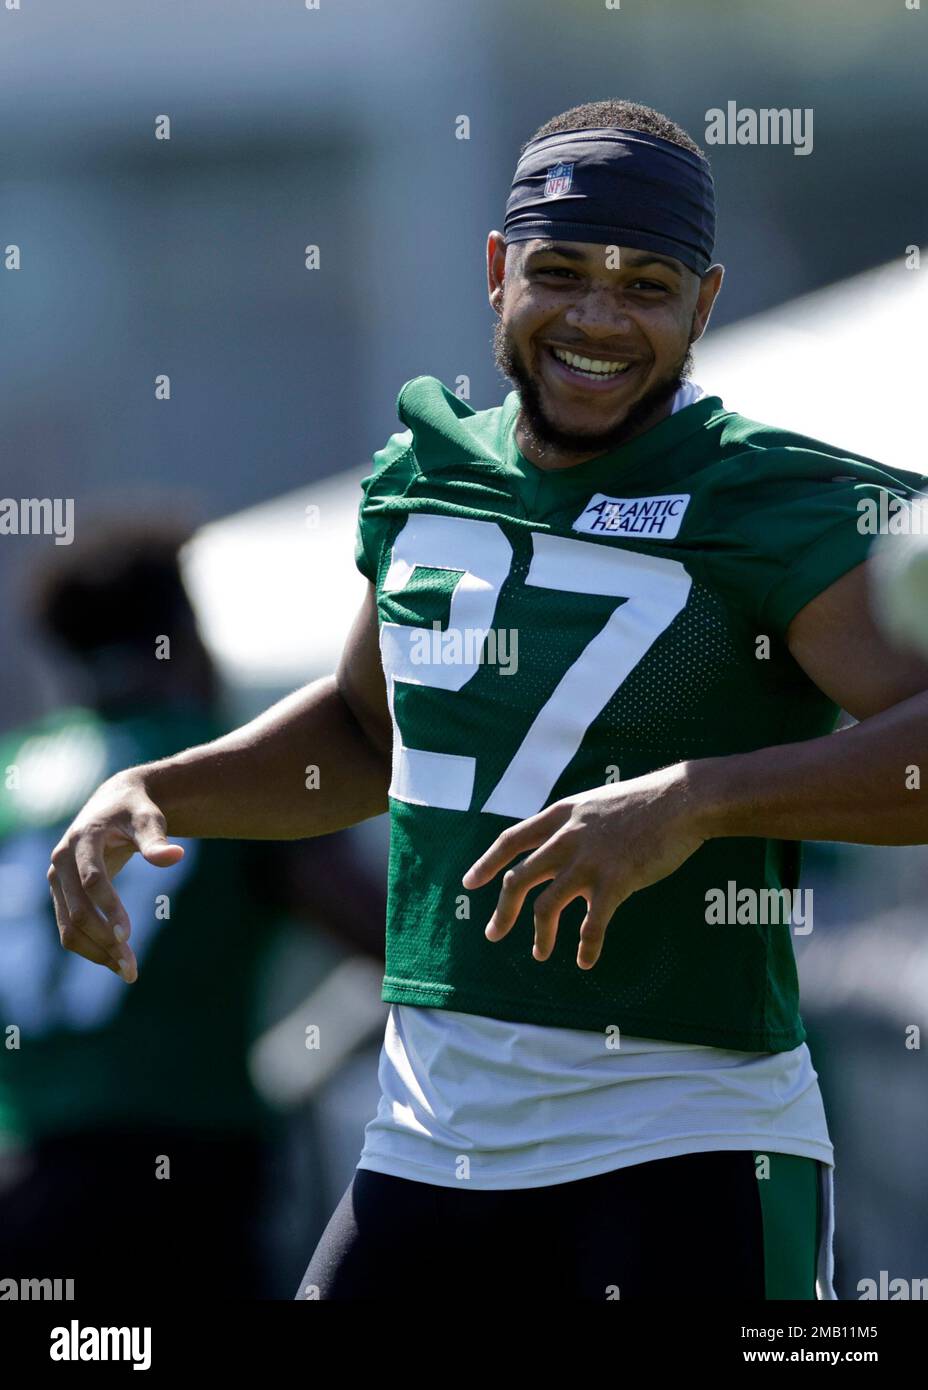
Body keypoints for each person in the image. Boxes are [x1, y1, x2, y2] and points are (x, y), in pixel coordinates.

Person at [45, 101, 928, 1301]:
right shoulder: (427, 474)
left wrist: (699, 800)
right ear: (500, 268)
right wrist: (155, 787)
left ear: (704, 305)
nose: (599, 318)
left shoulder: (781, 503)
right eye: (560, 273)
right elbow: (365, 732)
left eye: (648, 285)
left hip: (684, 1139)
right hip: (426, 1140)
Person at [0, 520, 382, 1299]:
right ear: (182, 636)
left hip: (28, 1184)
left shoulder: (13, 775)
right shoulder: (215, 766)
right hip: (181, 1190)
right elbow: (393, 938)